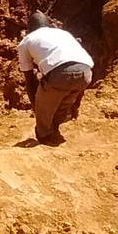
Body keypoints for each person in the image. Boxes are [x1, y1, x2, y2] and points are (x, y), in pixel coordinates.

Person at [16, 12, 93, 145]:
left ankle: (44, 137)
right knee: (63, 103)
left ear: (29, 29)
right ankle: (56, 132)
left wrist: (38, 108)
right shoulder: (63, 33)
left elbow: (29, 79)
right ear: (48, 25)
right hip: (86, 72)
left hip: (60, 75)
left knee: (44, 106)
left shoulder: (26, 41)